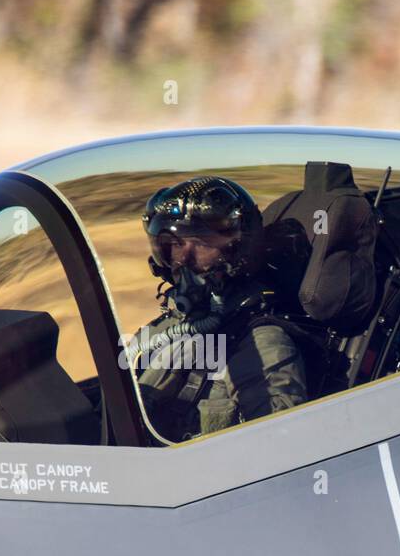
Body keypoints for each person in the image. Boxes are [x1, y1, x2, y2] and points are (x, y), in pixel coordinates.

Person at [130, 176, 307, 442]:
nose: (184, 262)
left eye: (201, 245)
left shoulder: (261, 344)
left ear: (238, 251)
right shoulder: (167, 328)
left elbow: (280, 446)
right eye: (176, 246)